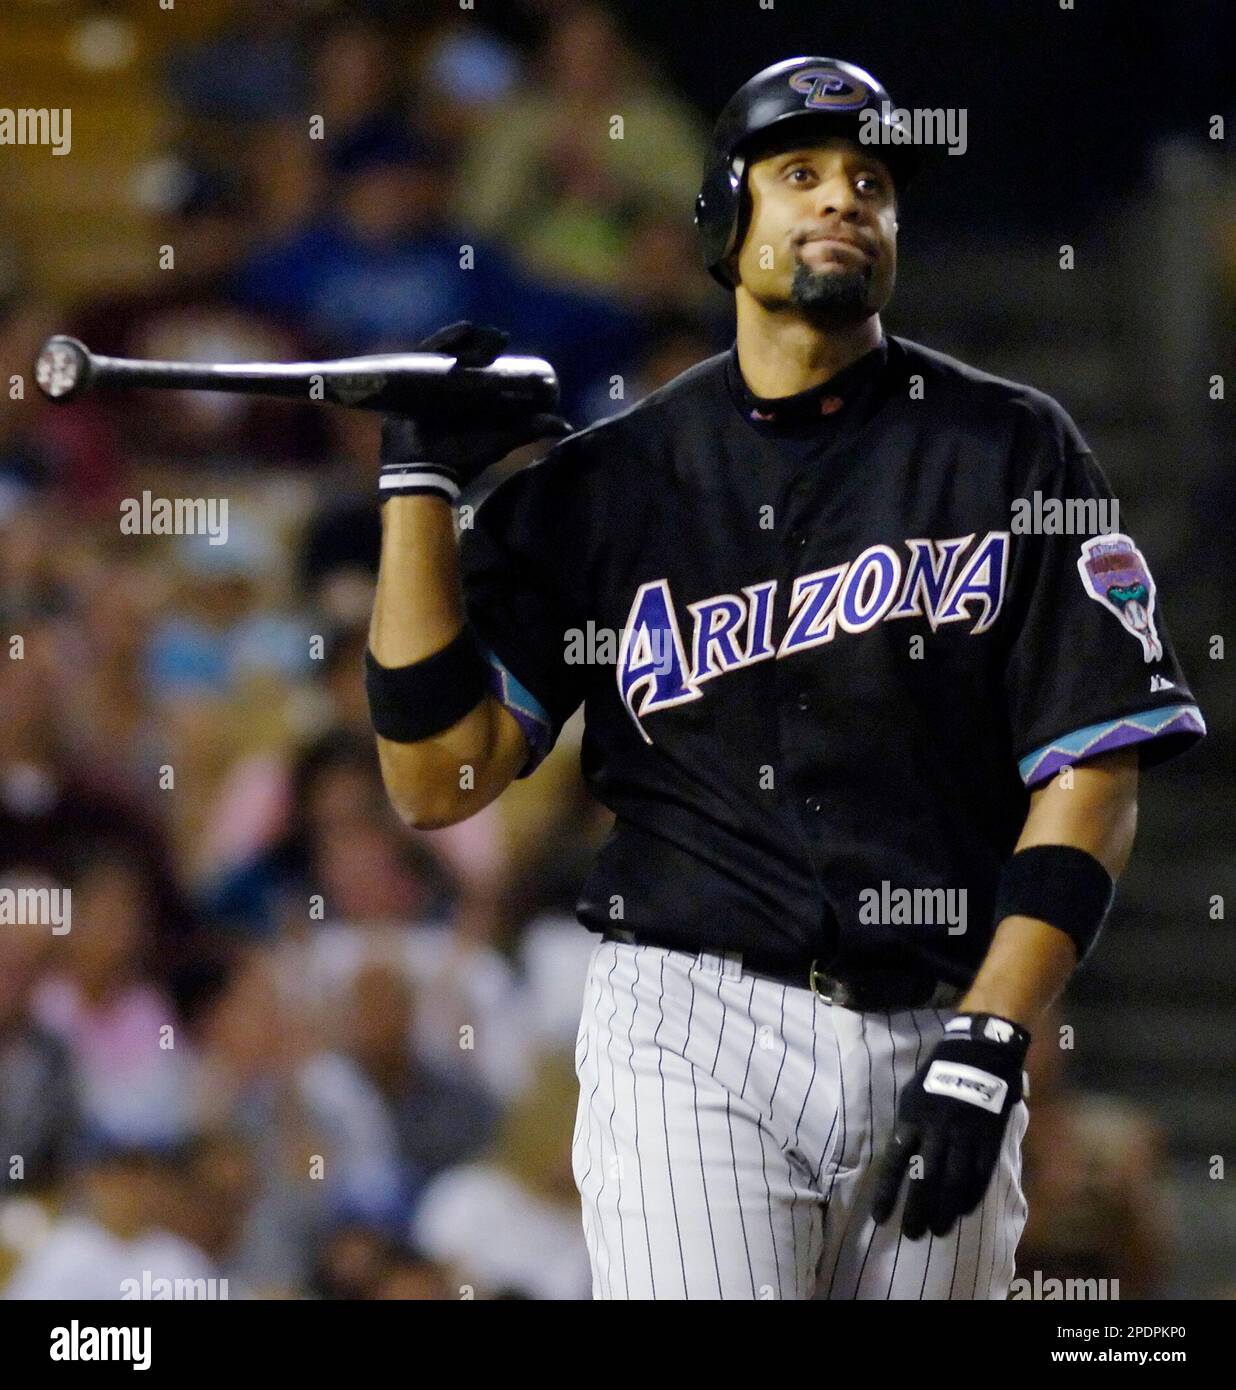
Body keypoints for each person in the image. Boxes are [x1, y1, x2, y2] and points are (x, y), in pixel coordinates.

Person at [361, 58, 1206, 1300]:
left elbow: (1093, 768)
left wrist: (992, 1035)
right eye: (800, 174)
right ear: (726, 219)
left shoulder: (1010, 448)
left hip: (937, 1016)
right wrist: (418, 494)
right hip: (689, 1018)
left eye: (871, 181)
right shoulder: (612, 483)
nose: (843, 201)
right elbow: (438, 777)